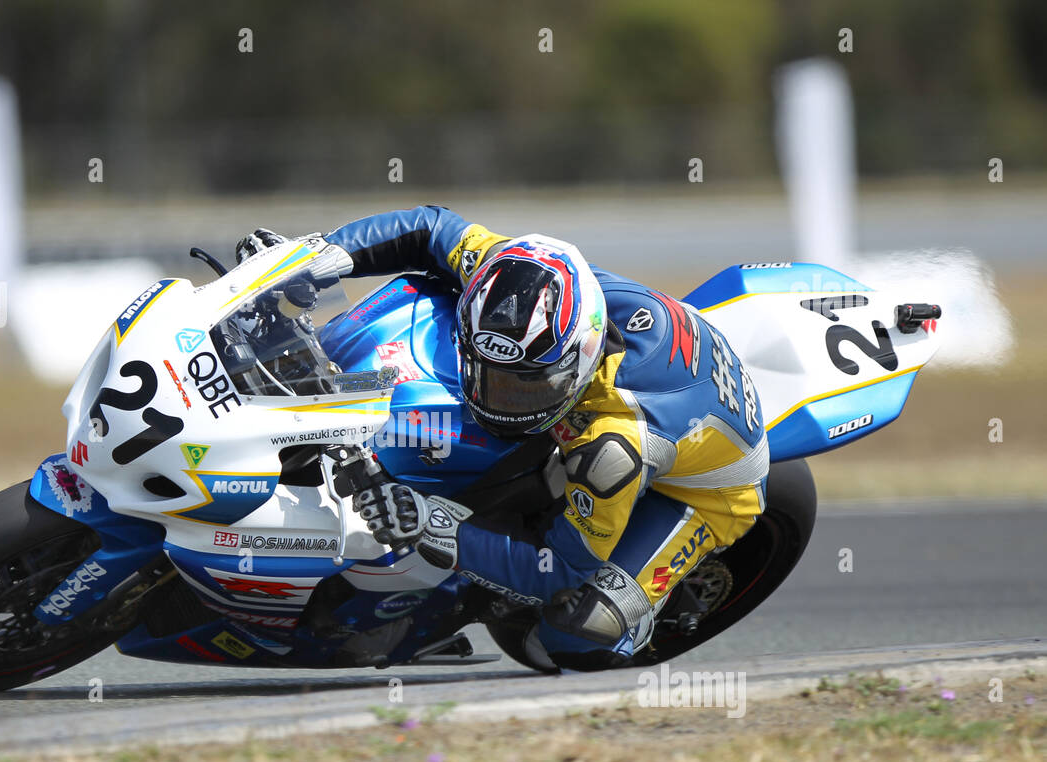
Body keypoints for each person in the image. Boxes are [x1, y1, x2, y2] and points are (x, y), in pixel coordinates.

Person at [234, 206, 768, 671]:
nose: (496, 398)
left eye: (521, 387)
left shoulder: (614, 444)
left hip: (706, 491)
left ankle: (634, 618)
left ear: (577, 361)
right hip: (668, 372)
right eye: (487, 373)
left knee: (579, 631)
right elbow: (429, 226)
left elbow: (561, 571)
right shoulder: (520, 271)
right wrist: (314, 255)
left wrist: (430, 525)